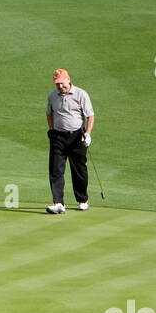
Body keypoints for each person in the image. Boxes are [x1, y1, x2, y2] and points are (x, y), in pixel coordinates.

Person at [45, 68, 94, 214]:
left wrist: (88, 134)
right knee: (56, 170)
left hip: (77, 136)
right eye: (57, 84)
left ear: (68, 79)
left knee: (79, 169)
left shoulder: (81, 94)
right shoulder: (52, 96)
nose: (60, 86)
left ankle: (82, 199)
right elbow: (49, 113)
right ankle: (58, 202)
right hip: (58, 137)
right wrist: (52, 129)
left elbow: (90, 116)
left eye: (61, 83)